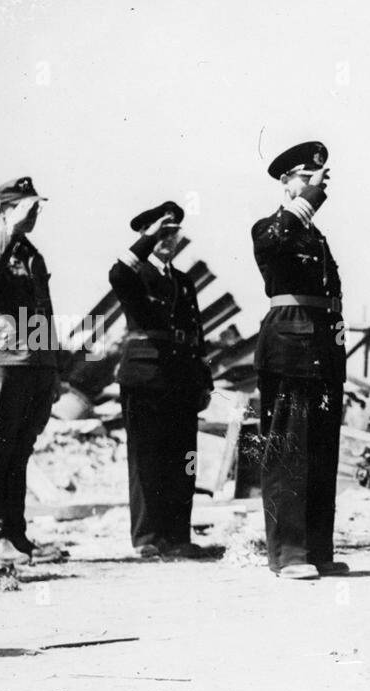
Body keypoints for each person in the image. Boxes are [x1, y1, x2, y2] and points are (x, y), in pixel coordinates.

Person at [251, 140, 348, 581]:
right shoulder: (270, 228)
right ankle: (288, 554)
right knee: (288, 449)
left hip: (323, 347)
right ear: (285, 182)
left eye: (319, 178)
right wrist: (311, 194)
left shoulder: (316, 238)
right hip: (289, 346)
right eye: (307, 178)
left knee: (321, 451)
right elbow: (279, 237)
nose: (317, 185)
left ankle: (316, 548)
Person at [0, 175, 67, 564]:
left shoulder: (33, 256)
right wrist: (9, 231)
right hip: (3, 359)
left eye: (37, 207)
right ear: (5, 210)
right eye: (27, 207)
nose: (35, 213)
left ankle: (18, 536)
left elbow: (44, 310)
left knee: (22, 449)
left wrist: (51, 364)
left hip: (35, 362)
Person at [108, 201, 214, 557]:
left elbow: (196, 332)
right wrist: (147, 240)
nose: (168, 240)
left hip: (181, 376)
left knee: (183, 456)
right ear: (145, 235)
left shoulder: (183, 281)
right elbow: (118, 273)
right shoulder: (134, 275)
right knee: (146, 457)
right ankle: (148, 538)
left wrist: (204, 379)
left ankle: (177, 536)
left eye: (173, 233)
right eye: (161, 233)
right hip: (146, 374)